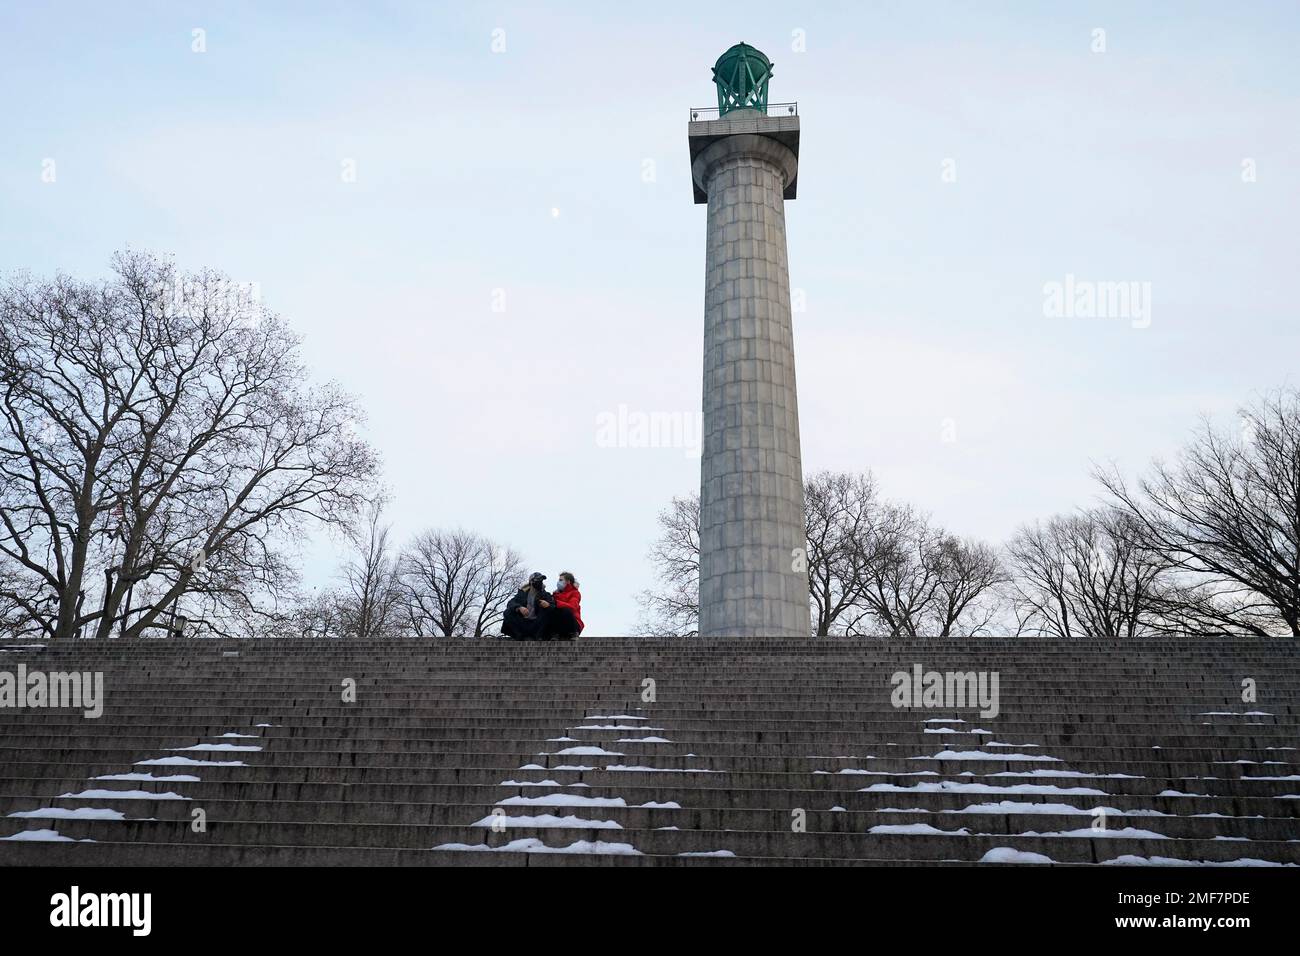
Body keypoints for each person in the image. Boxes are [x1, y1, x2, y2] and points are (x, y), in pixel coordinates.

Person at [502, 571, 576, 641]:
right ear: (531, 581)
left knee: (547, 611)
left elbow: (554, 607)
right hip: (523, 622)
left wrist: (548, 605)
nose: (540, 582)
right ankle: (519, 635)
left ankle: (538, 635)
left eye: (541, 580)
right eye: (537, 580)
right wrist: (519, 608)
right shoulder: (522, 594)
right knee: (507, 612)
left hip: (537, 624)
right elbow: (510, 603)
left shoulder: (545, 594)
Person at [553, 571, 583, 638]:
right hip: (561, 624)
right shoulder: (556, 594)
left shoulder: (575, 593)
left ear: (568, 582)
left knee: (566, 610)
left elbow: (573, 607)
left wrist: (556, 603)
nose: (558, 582)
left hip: (574, 624)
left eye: (561, 580)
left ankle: (573, 633)